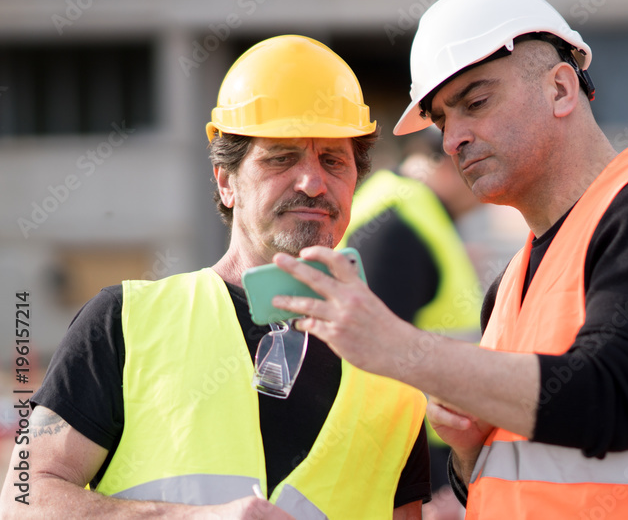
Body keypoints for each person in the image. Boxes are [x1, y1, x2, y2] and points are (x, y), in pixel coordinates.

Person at [265, 0, 628, 519]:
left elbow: (619, 398)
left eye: (477, 102)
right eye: (443, 120)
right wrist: (470, 450)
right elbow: (520, 478)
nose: (452, 140)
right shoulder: (514, 282)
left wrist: (401, 349)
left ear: (561, 89)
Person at [0, 35, 430, 519]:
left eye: (333, 160)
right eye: (281, 158)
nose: (313, 182)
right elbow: (24, 502)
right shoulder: (126, 322)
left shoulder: (393, 368)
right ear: (226, 182)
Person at [340, 128, 482, 519]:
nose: (480, 175)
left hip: (433, 452)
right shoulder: (398, 222)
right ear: (442, 165)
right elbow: (375, 367)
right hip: (416, 461)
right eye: (468, 158)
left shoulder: (417, 212)